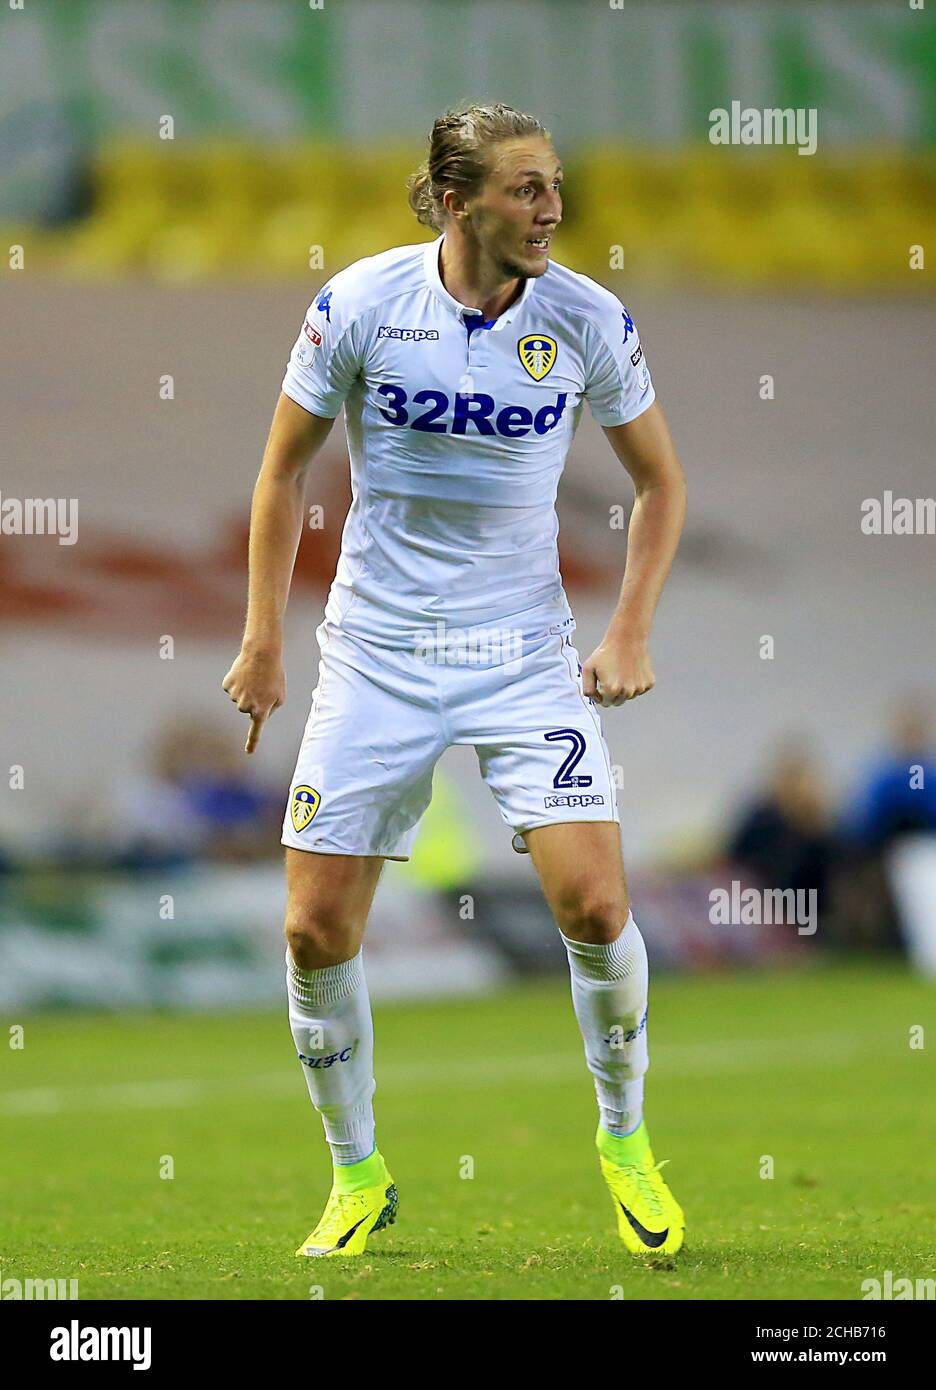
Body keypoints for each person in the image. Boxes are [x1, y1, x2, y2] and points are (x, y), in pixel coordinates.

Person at [222, 103, 687, 1259]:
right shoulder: (362, 304)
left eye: (555, 187)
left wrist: (627, 628)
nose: (552, 210)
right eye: (528, 190)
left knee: (596, 906)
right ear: (453, 199)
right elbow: (282, 475)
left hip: (525, 655)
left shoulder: (586, 319)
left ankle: (626, 1141)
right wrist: (265, 640)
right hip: (377, 654)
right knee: (313, 929)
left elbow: (662, 484)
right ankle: (356, 1174)